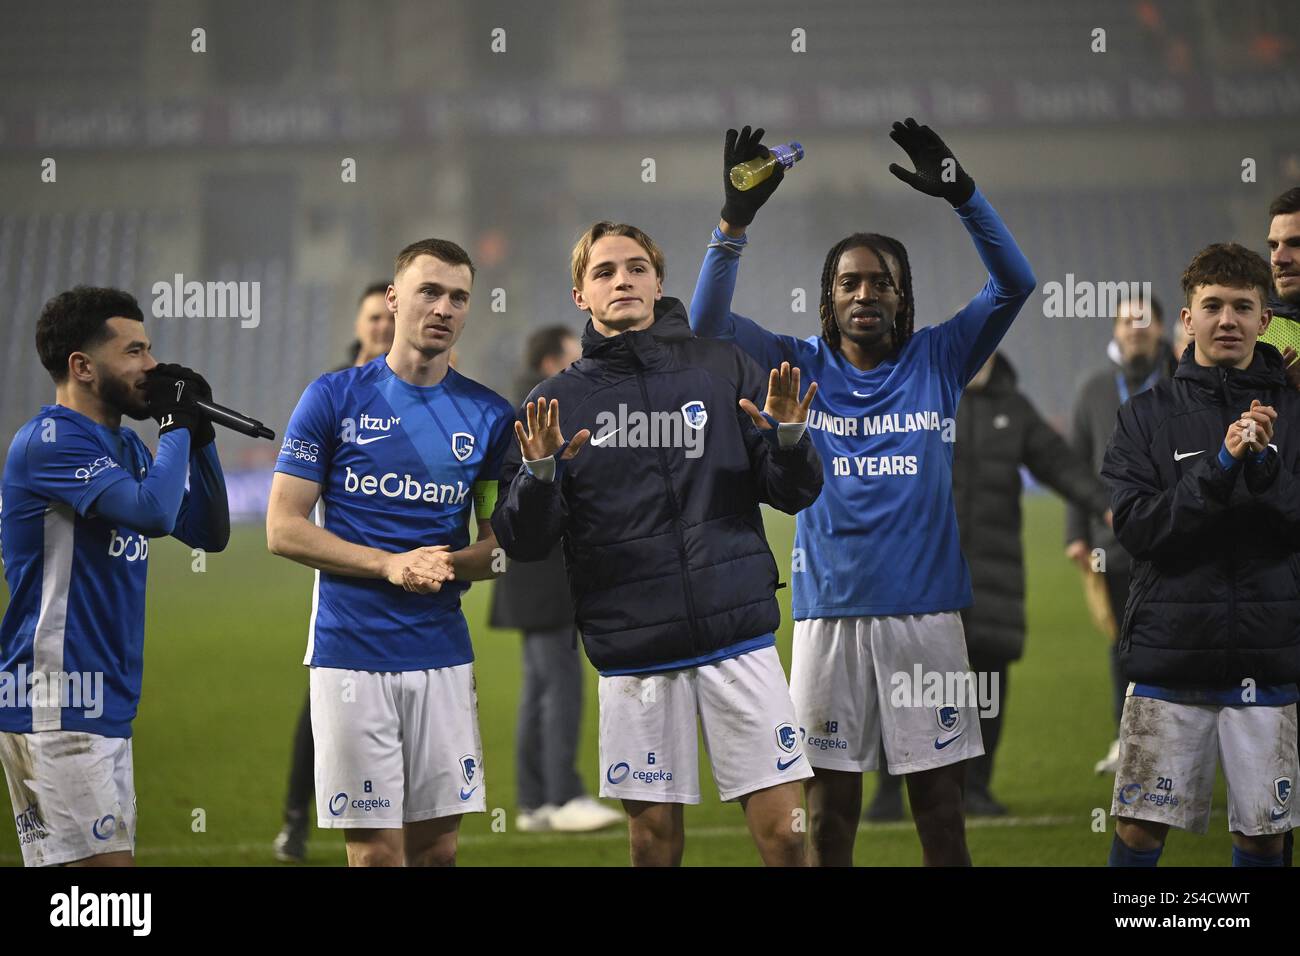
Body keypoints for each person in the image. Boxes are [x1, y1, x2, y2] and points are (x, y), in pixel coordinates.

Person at [690, 121, 1036, 866]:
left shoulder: (940, 357)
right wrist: (734, 221)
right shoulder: (796, 363)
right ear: (828, 297)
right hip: (828, 620)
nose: (865, 293)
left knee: (941, 810)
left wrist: (964, 195)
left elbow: (1015, 283)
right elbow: (704, 324)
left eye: (881, 281)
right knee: (831, 814)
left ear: (903, 294)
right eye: (849, 282)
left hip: (928, 620)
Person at [491, 221, 823, 867]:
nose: (624, 280)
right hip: (634, 648)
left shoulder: (722, 365)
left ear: (658, 282)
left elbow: (792, 493)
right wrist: (538, 476)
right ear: (580, 295)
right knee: (651, 845)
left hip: (737, 635)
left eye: (637, 267)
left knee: (788, 834)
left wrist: (788, 441)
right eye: (605, 271)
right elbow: (525, 540)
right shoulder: (555, 402)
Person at [266, 239, 513, 867]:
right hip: (351, 655)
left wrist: (450, 565)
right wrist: (388, 564)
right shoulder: (332, 398)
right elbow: (283, 528)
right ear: (394, 299)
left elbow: (496, 550)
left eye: (458, 297)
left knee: (437, 853)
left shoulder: (488, 415)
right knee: (375, 855)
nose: (444, 307)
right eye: (429, 291)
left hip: (442, 656)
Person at [0, 286, 229, 866]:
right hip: (54, 703)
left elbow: (208, 531)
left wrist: (198, 436)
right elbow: (153, 513)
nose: (150, 366)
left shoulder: (124, 444)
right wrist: (175, 424)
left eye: (149, 349)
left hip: (105, 707)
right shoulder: (48, 441)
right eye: (133, 352)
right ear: (82, 366)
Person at [1103, 241, 1299, 866]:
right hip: (1170, 657)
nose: (1227, 321)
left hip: (1266, 658)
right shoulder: (1144, 417)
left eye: (1243, 307)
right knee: (1138, 831)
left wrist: (1265, 465)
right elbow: (1136, 528)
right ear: (1186, 320)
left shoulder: (1294, 413)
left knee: (1265, 836)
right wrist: (1220, 467)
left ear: (1265, 318)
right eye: (1211, 306)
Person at [868, 351, 1111, 820]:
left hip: (992, 578)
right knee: (906, 685)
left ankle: (975, 789)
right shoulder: (922, 403)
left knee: (987, 685)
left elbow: (1061, 465)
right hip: (924, 573)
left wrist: (1107, 505)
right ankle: (886, 793)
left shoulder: (1015, 409)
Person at [273, 280, 396, 863]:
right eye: (372, 317)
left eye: (387, 318)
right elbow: (289, 516)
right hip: (343, 586)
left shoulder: (428, 393)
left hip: (411, 595)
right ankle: (296, 819)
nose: (381, 327)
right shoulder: (332, 395)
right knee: (318, 706)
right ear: (358, 324)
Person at [488, 326, 622, 833]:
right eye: (571, 357)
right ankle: (561, 796)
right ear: (550, 363)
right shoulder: (542, 410)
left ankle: (534, 802)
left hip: (529, 576)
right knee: (559, 686)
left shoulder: (522, 406)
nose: (580, 365)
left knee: (541, 688)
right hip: (544, 577)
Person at [1065, 295, 1175, 774]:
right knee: (1122, 646)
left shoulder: (1181, 382)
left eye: (1144, 321)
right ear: (1115, 330)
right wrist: (1076, 534)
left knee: (1178, 642)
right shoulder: (1092, 389)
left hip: (1175, 539)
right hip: (1113, 547)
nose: (1135, 330)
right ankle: (1125, 739)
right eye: (1127, 322)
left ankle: (1178, 744)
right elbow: (1075, 467)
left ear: (1161, 329)